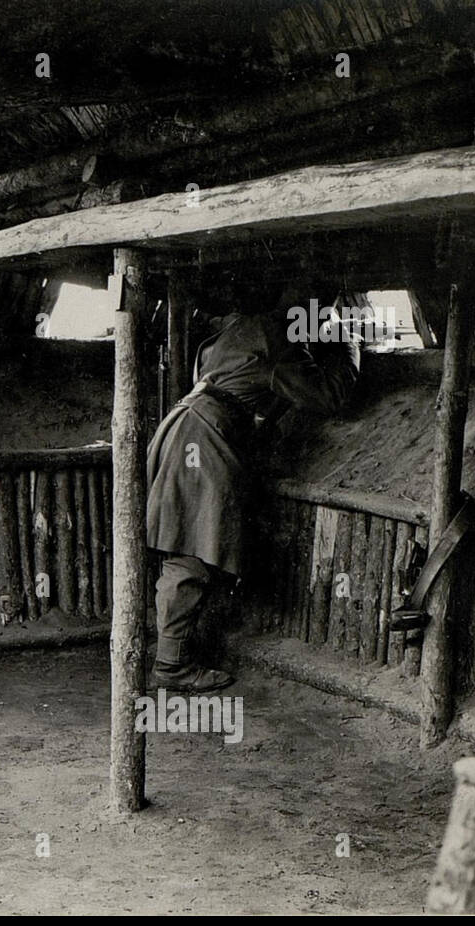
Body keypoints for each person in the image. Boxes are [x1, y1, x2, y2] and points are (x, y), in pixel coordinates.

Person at [145, 283, 361, 693]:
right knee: (190, 553)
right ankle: (171, 666)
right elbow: (331, 396)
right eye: (322, 315)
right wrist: (348, 344)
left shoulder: (246, 326)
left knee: (185, 545)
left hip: (186, 425)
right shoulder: (280, 341)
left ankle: (173, 655)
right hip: (203, 436)